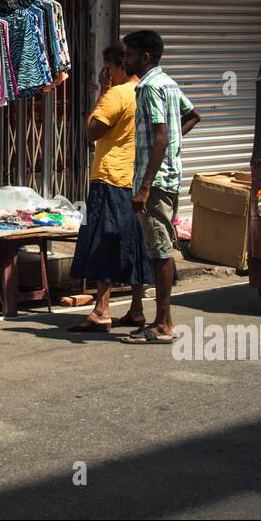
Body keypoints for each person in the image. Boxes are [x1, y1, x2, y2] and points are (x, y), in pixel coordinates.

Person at [121, 30, 200, 345]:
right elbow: (192, 115)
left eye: (129, 54)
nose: (125, 59)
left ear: (145, 57)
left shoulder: (149, 87)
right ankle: (162, 321)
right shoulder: (168, 82)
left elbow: (162, 136)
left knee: (160, 250)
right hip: (169, 177)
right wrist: (173, 152)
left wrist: (145, 185)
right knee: (159, 247)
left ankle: (163, 324)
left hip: (155, 182)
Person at [67, 46, 151, 332]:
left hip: (111, 177)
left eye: (109, 68)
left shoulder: (116, 95)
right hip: (137, 180)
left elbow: (92, 130)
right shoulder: (147, 92)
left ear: (117, 67)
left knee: (105, 241)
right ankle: (137, 309)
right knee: (135, 241)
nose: (107, 73)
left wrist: (102, 91)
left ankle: (102, 310)